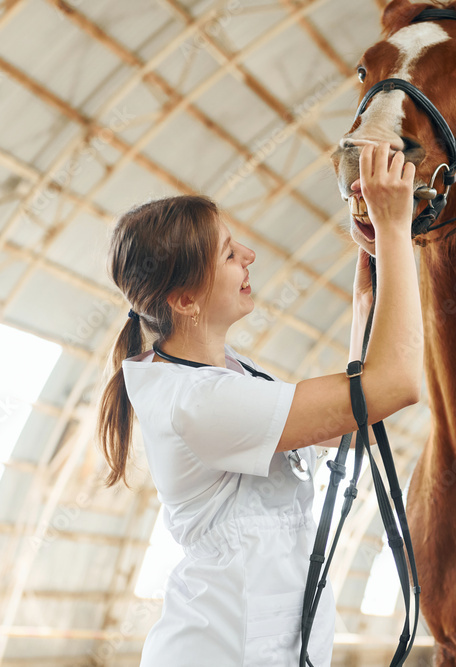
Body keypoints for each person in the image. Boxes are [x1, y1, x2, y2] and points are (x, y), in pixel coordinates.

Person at [94, 141, 424, 666]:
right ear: (185, 300)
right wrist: (393, 227)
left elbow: (352, 425)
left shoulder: (231, 374)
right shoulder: (200, 402)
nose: (248, 255)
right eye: (228, 253)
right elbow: (397, 383)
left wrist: (366, 305)